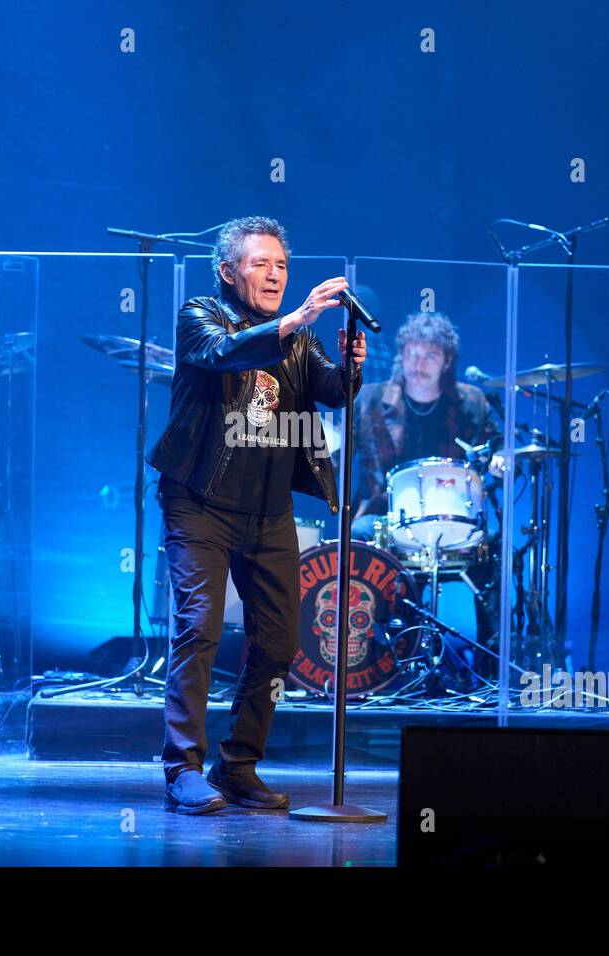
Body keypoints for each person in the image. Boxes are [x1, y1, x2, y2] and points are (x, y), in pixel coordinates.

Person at [147, 216, 366, 814]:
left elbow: (329, 391)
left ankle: (238, 764)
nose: (274, 274)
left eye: (281, 265)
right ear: (228, 271)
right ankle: (181, 769)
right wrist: (292, 321)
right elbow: (220, 356)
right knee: (201, 628)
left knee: (278, 640)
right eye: (260, 263)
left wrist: (351, 366)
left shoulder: (297, 338)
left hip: (268, 513)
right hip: (200, 502)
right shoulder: (201, 315)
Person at [350, 311, 502, 542]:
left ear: (447, 361)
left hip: (455, 513)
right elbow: (335, 454)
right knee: (359, 531)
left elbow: (501, 450)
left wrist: (501, 461)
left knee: (491, 541)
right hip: (383, 515)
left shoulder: (472, 403)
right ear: (401, 355)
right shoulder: (369, 401)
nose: (418, 364)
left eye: (430, 356)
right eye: (411, 354)